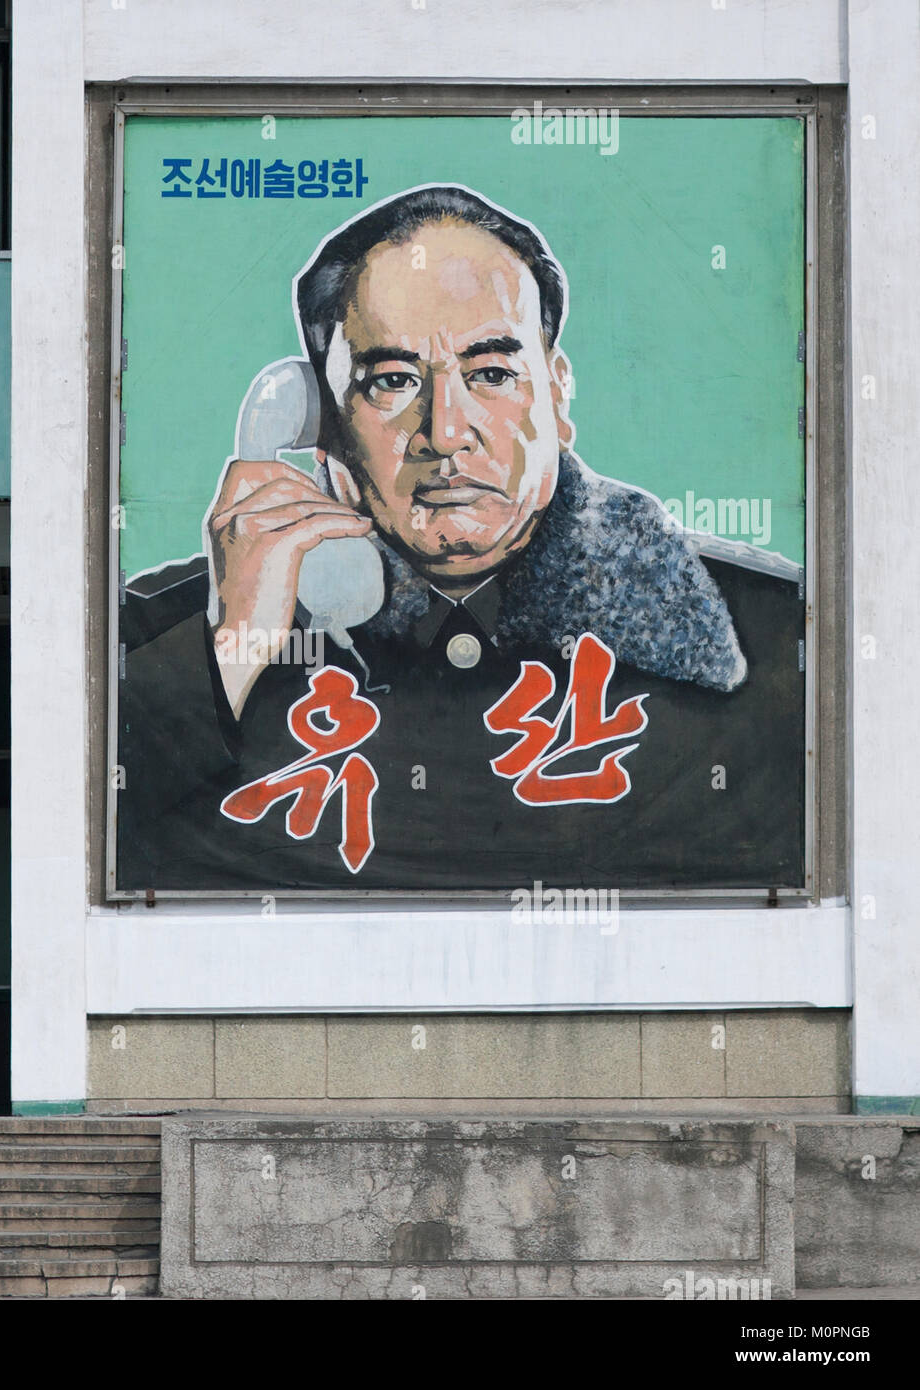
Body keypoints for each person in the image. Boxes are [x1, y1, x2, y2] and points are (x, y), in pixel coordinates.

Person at [117, 184, 805, 892]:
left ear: (558, 395)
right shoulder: (150, 643)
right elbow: (70, 850)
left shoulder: (778, 631)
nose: (445, 431)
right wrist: (230, 648)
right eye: (391, 380)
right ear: (318, 421)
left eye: (493, 373)